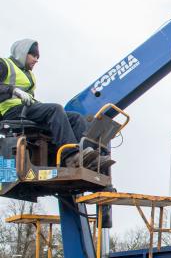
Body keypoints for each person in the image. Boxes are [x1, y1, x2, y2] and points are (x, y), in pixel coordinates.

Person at [0, 39, 108, 170]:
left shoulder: (29, 75)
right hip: (10, 110)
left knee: (76, 118)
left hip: (26, 109)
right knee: (55, 109)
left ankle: (86, 159)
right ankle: (71, 156)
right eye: (33, 55)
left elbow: (30, 99)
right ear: (22, 52)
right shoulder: (4, 64)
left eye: (37, 57)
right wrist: (13, 90)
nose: (36, 60)